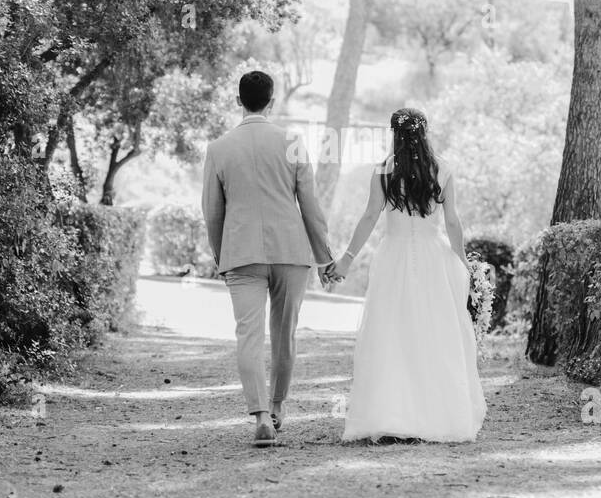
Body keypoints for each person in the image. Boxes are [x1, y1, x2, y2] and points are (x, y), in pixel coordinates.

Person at [327, 108, 486, 443]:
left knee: (392, 333)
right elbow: (453, 222)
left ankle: (392, 414)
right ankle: (437, 414)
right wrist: (462, 263)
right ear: (424, 133)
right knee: (435, 332)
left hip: (393, 257)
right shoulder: (441, 169)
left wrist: (347, 259)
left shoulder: (384, 171)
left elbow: (370, 216)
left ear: (394, 134)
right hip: (434, 257)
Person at [201, 71, 335, 447]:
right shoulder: (292, 142)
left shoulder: (218, 148)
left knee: (248, 335)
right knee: (284, 335)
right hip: (291, 252)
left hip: (242, 255)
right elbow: (309, 205)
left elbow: (213, 213)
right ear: (271, 101)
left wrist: (221, 254)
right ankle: (277, 408)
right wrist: (324, 257)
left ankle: (259, 415)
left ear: (238, 100)